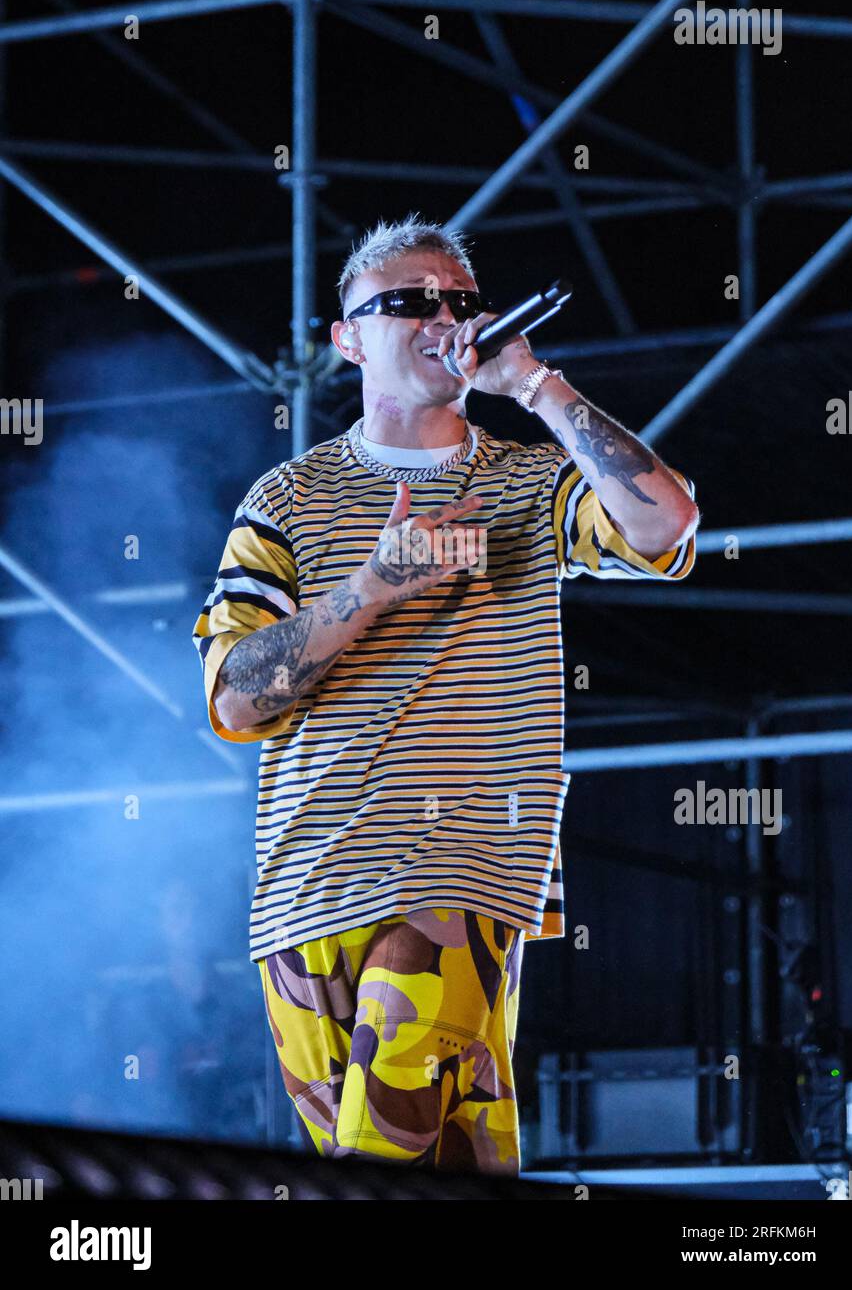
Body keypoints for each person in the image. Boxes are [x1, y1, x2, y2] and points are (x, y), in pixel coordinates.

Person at [192, 213, 699, 1175]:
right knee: (435, 1175)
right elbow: (233, 698)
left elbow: (666, 522)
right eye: (409, 301)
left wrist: (536, 386)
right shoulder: (289, 498)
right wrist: (375, 585)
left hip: (459, 868)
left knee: (382, 1162)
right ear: (347, 338)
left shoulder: (527, 481)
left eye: (460, 302)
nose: (442, 318)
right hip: (303, 898)